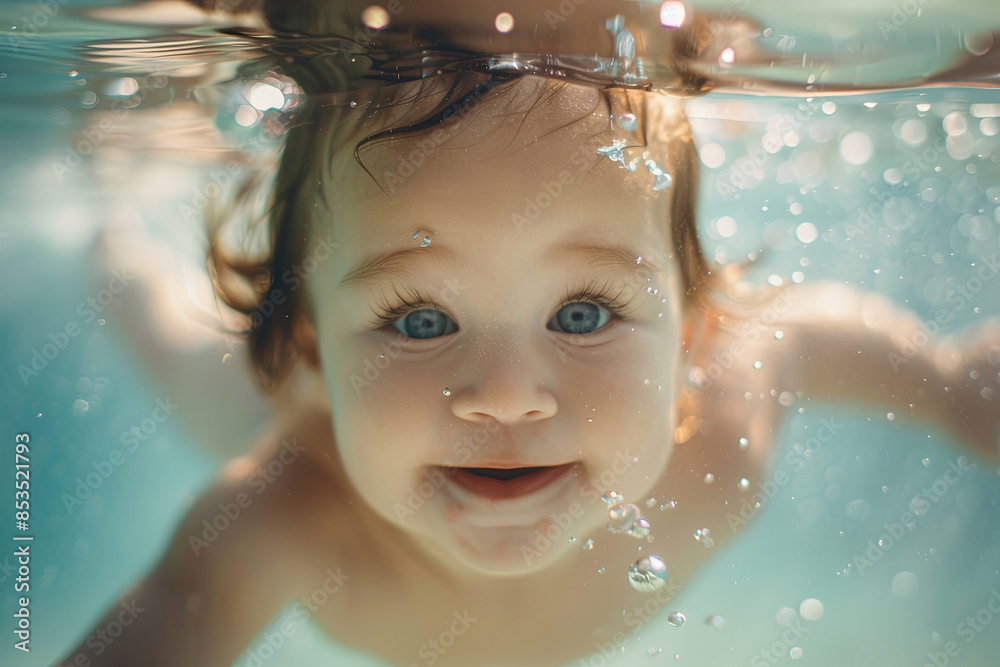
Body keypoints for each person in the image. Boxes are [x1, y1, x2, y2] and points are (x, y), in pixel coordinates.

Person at [59, 4, 1000, 667]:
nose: (506, 394)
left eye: (583, 313)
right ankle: (117, 250)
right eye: (419, 319)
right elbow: (175, 614)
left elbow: (798, 330)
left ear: (695, 333)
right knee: (193, 358)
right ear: (312, 346)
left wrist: (947, 379)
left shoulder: (725, 412)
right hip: (291, 410)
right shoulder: (285, 515)